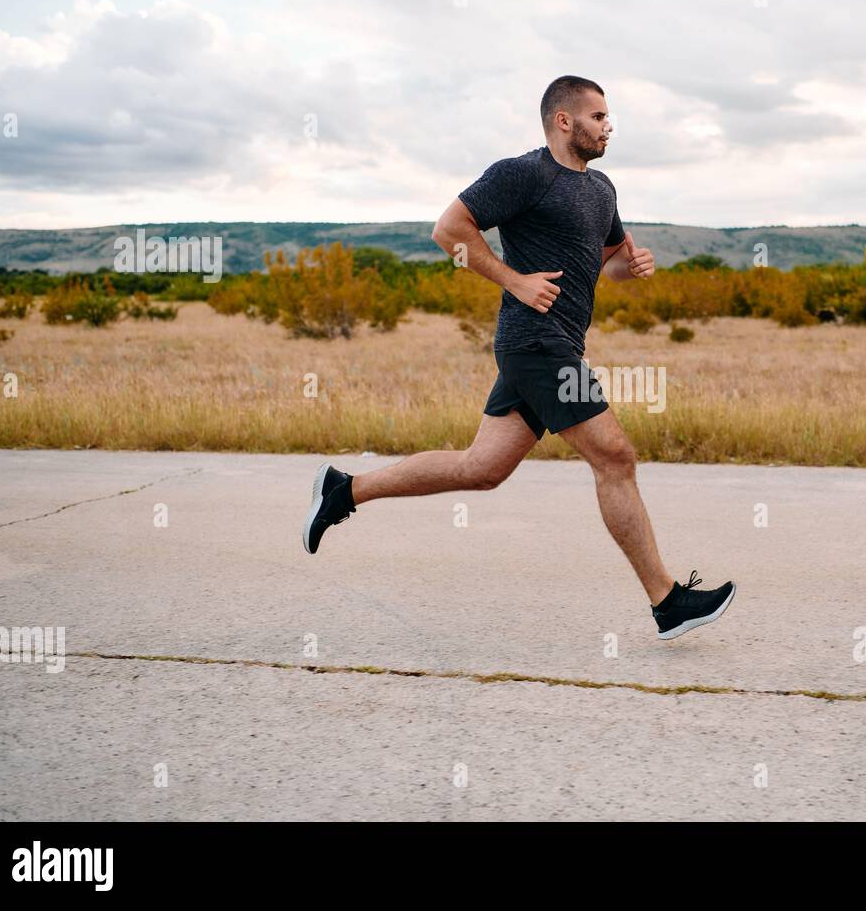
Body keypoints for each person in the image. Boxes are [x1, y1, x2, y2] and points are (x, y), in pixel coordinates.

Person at [302, 75, 735, 640]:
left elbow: (606, 263)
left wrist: (632, 268)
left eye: (609, 118)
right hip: (535, 343)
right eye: (599, 117)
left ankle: (344, 488)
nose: (609, 127)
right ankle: (667, 601)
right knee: (615, 456)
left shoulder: (601, 190)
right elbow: (448, 230)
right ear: (564, 120)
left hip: (553, 344)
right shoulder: (524, 174)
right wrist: (515, 281)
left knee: (480, 470)